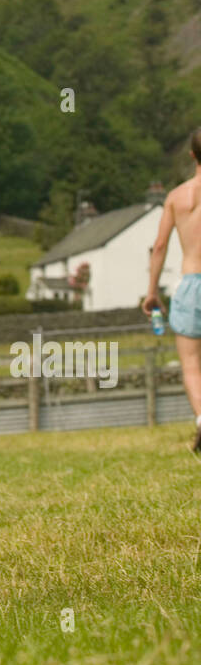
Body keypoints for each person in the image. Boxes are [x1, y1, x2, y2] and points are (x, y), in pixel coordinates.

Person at [143, 128, 201, 453]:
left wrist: (152, 293)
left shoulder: (176, 197)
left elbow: (160, 245)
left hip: (191, 285)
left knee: (191, 364)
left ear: (192, 155)